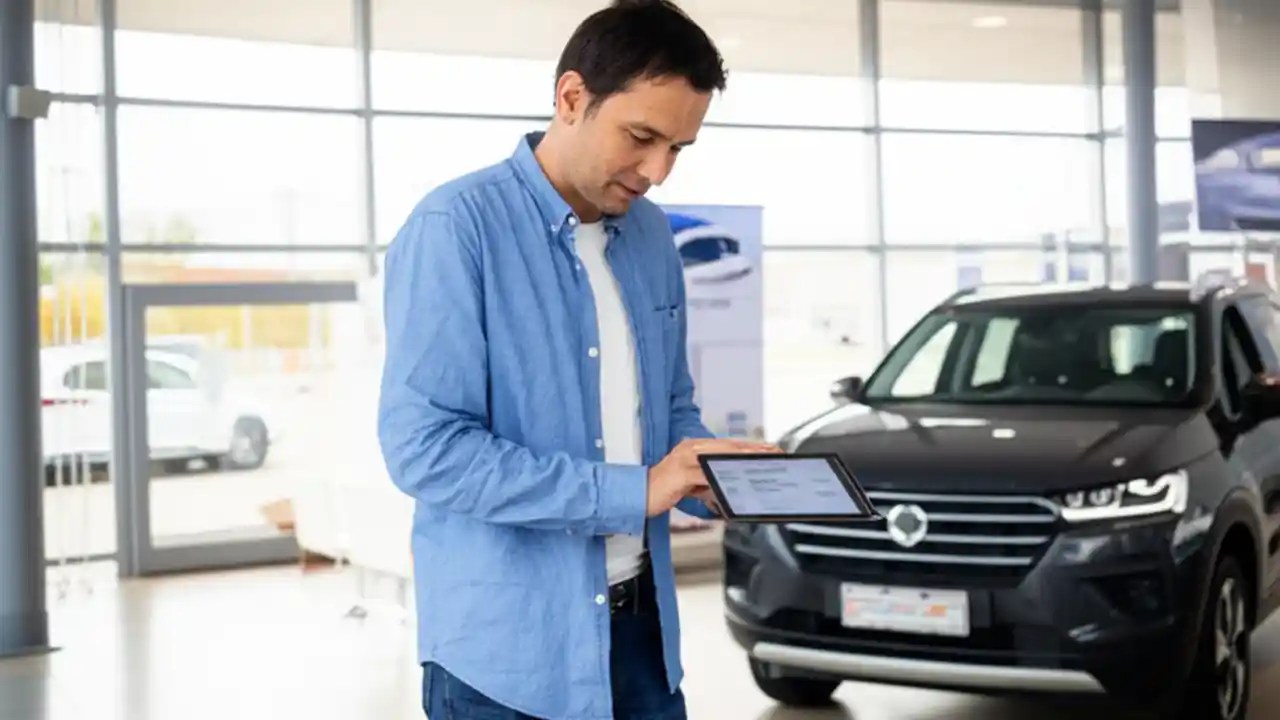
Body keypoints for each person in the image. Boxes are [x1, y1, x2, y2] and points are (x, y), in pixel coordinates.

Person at [377, 2, 778, 718]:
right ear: (570, 98)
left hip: (643, 644)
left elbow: (669, 407)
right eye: (642, 137)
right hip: (507, 662)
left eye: (679, 148)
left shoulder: (651, 236)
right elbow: (427, 451)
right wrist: (635, 490)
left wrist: (709, 476)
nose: (658, 172)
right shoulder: (455, 229)